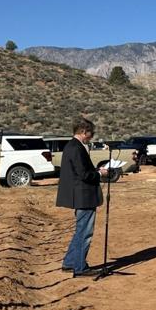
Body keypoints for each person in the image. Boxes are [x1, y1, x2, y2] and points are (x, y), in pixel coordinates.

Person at [56, 117, 109, 277]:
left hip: (79, 195)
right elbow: (84, 174)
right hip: (83, 196)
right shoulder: (76, 148)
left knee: (80, 230)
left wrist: (96, 171)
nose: (91, 137)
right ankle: (80, 267)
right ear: (84, 131)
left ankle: (70, 262)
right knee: (84, 233)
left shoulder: (72, 146)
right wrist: (100, 173)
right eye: (91, 133)